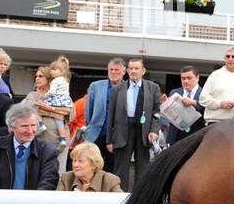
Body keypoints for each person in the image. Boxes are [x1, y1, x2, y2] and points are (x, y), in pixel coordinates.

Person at [108, 58, 163, 192]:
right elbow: (111, 116)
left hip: (143, 132)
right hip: (122, 132)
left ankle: (140, 199)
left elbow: (157, 113)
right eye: (130, 68)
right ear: (127, 71)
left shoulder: (153, 88)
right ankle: (118, 200)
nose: (133, 71)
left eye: (136, 68)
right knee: (120, 169)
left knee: (143, 168)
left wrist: (154, 130)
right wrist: (109, 140)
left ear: (143, 71)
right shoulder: (117, 89)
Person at [0, 103, 58, 190]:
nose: (30, 131)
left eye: (33, 125)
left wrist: (34, 202)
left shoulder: (48, 151)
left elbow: (49, 182)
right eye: (24, 126)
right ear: (11, 127)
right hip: (0, 202)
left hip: (33, 202)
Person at [84, 58, 126, 167]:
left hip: (116, 136)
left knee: (111, 167)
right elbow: (89, 110)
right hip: (96, 133)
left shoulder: (129, 88)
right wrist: (91, 126)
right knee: (92, 165)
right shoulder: (96, 86)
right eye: (111, 69)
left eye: (117, 70)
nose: (113, 72)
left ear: (124, 72)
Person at [56, 142, 123, 193]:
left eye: (80, 161)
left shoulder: (110, 181)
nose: (75, 165)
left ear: (93, 164)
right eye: (74, 160)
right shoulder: (66, 178)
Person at [166, 66, 206, 145]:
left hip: (196, 135)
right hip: (176, 136)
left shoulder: (205, 93)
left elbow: (207, 109)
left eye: (189, 78)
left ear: (197, 77)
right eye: (183, 78)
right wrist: (165, 105)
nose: (186, 81)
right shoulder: (174, 93)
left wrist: (194, 103)